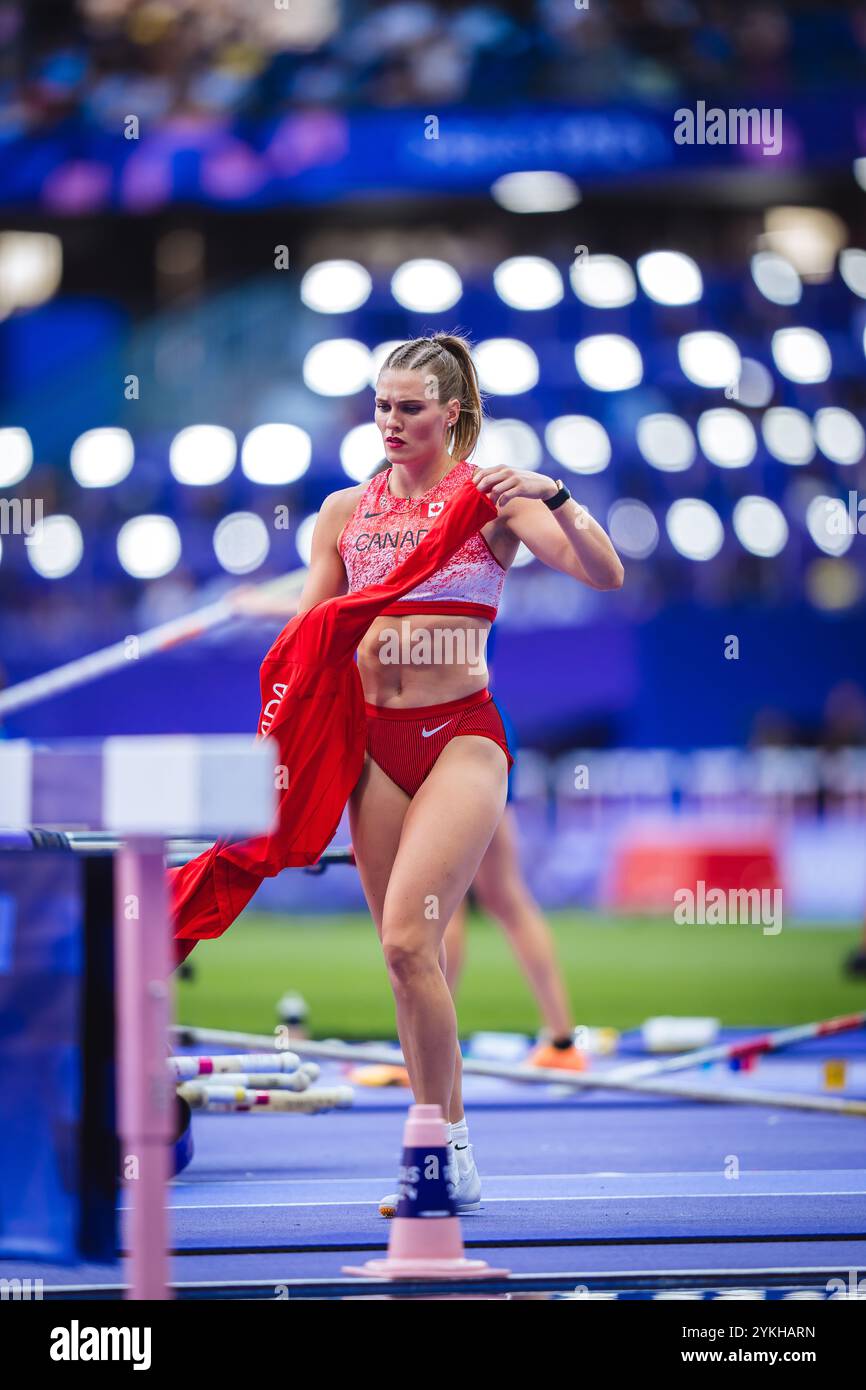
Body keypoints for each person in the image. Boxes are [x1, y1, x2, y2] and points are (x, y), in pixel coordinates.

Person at [295, 331, 624, 1216]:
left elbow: (603, 572)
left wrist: (558, 493)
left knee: (411, 939)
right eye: (381, 407)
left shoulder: (487, 498)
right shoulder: (341, 510)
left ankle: (443, 1149)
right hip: (372, 746)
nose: (391, 423)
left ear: (453, 414)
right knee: (407, 961)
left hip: (460, 740)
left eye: (410, 408)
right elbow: (308, 640)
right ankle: (441, 1137)